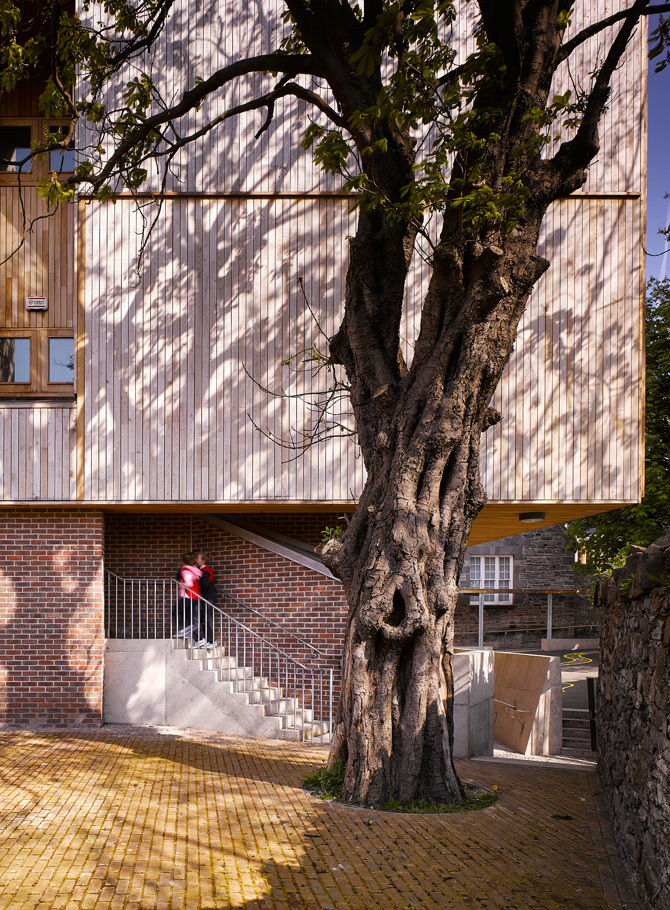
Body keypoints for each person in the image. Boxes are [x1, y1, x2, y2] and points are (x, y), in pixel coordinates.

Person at [174, 553, 202, 638]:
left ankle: (186, 629)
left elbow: (189, 583)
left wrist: (181, 584)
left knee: (176, 611)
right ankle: (194, 635)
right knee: (189, 615)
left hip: (188, 595)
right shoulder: (194, 569)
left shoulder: (186, 571)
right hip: (194, 596)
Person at [195, 551, 217, 645]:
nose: (196, 560)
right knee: (205, 618)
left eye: (198, 559)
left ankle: (210, 640)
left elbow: (204, 585)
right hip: (208, 596)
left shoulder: (205, 571)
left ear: (203, 561)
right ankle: (208, 639)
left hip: (208, 597)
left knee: (206, 618)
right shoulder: (204, 570)